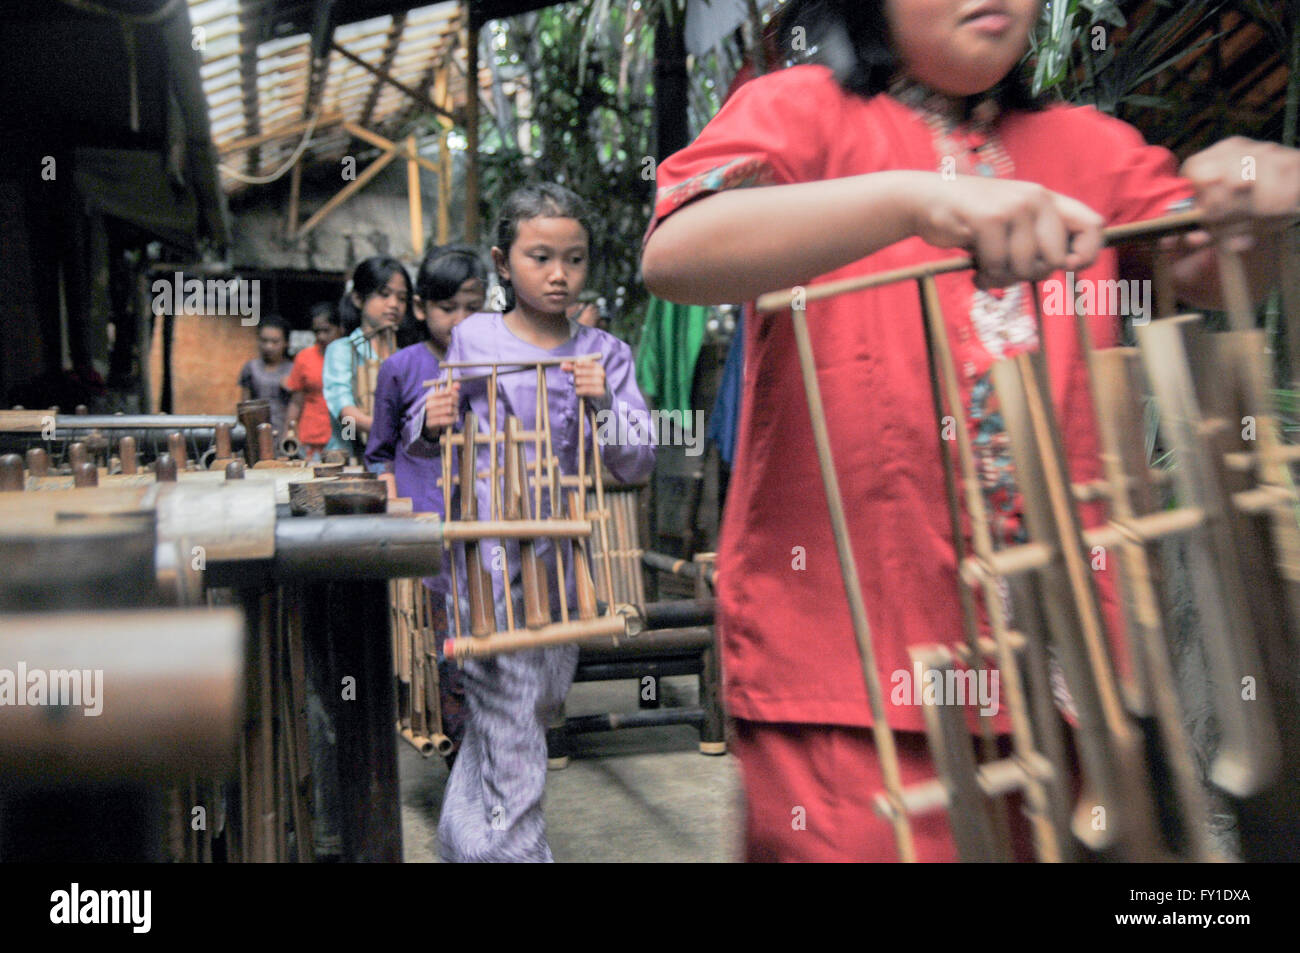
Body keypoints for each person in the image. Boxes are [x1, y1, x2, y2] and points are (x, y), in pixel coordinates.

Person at [639, 0, 1298, 862]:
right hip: (851, 676)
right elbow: (679, 251)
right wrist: (916, 201)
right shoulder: (797, 108)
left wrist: (1257, 199)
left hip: (1067, 683)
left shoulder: (1092, 148)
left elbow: (1208, 270)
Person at [405, 183, 656, 862]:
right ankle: (518, 853)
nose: (558, 274)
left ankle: (463, 840)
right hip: (483, 559)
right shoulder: (473, 338)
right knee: (511, 716)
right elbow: (426, 430)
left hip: (563, 558)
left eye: (574, 259)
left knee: (530, 707)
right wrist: (429, 421)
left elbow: (636, 458)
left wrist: (604, 405)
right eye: (540, 256)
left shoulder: (604, 352)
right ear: (501, 260)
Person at [366, 244, 489, 756]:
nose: (459, 321)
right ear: (421, 309)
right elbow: (379, 453)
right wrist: (395, 511)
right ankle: (455, 749)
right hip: (424, 533)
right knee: (437, 649)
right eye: (446, 308)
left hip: (482, 530)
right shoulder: (400, 368)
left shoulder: (494, 367)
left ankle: (484, 749)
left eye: (471, 307)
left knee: (485, 643)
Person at [323, 257, 412, 463]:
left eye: (401, 298)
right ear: (358, 299)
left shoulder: (404, 356)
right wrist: (391, 429)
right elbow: (344, 411)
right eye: (384, 295)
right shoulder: (341, 350)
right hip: (347, 460)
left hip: (395, 461)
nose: (394, 304)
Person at [285, 302, 343, 462]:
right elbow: (296, 402)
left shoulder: (348, 357)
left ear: (340, 329)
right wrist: (290, 434)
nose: (321, 336)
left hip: (341, 438)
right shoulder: (304, 357)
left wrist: (350, 438)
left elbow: (351, 405)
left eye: (326, 330)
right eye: (317, 331)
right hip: (309, 440)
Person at [238, 314, 292, 439]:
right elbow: (244, 406)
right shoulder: (251, 368)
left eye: (275, 342)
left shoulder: (293, 369)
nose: (269, 346)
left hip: (284, 432)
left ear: (286, 343)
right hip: (256, 433)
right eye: (264, 341)